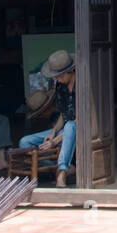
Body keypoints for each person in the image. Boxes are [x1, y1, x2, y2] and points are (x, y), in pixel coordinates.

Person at [17, 50, 76, 187]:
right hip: (64, 130)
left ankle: (62, 171)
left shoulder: (81, 85)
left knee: (70, 126)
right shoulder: (60, 86)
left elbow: (80, 119)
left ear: (69, 71)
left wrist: (55, 141)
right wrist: (53, 132)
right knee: (24, 142)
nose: (57, 79)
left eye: (59, 76)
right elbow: (64, 113)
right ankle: (56, 167)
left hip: (79, 128)